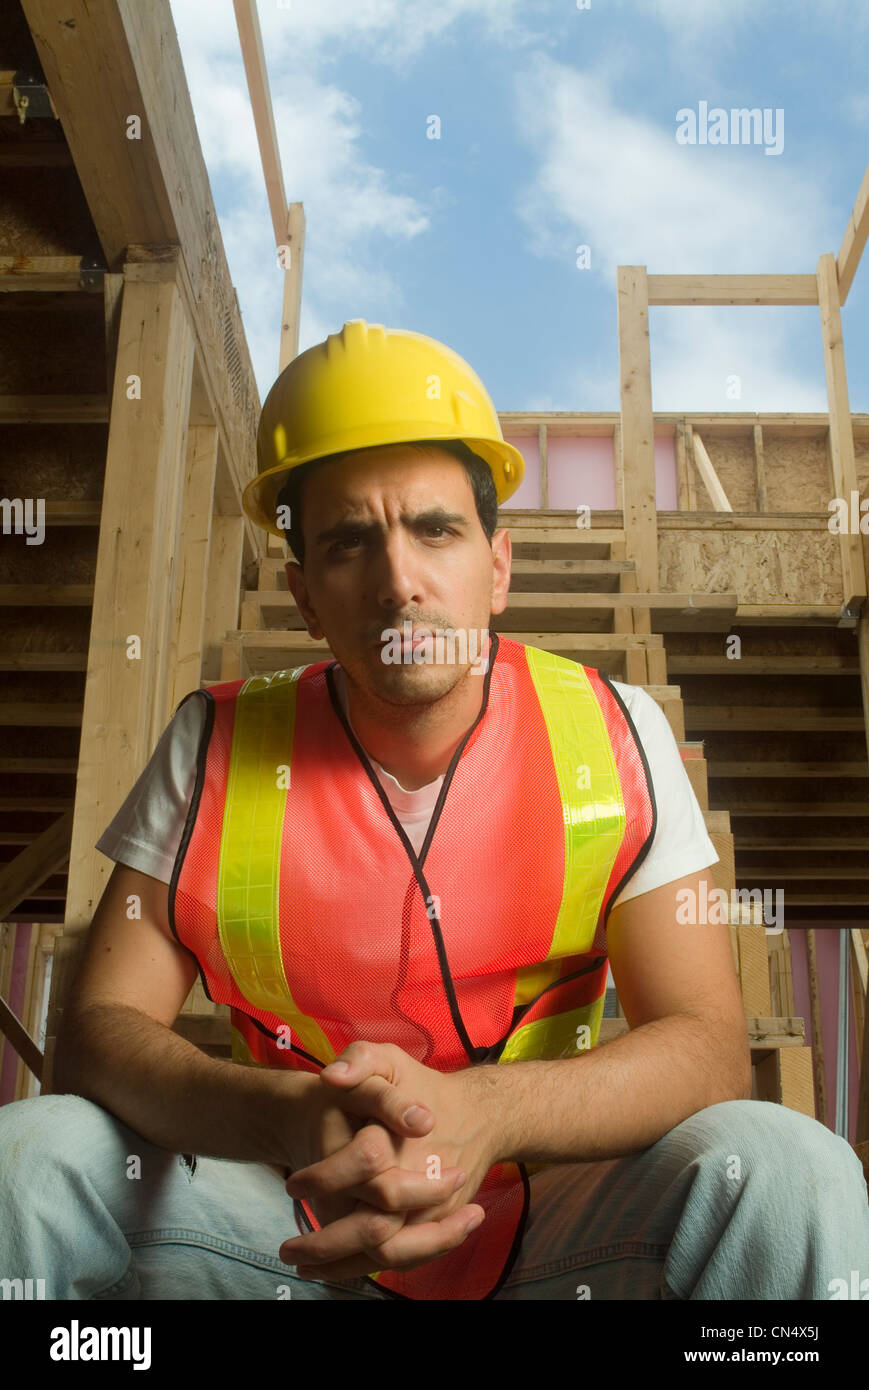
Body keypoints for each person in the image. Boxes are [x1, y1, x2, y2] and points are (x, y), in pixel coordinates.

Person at [1, 320, 867, 1301]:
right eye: (347, 543)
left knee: (789, 1170)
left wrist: (484, 1113)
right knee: (34, 1160)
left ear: (496, 566)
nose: (398, 581)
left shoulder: (609, 732)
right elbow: (99, 1030)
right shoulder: (214, 742)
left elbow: (708, 1045)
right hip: (285, 1224)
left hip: (542, 1222)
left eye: (435, 529)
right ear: (303, 596)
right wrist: (287, 1118)